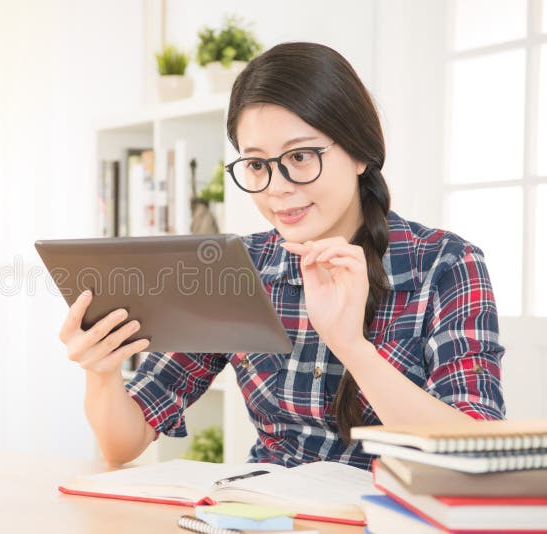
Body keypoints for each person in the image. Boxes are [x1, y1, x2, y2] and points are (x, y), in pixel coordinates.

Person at [58, 42, 505, 470]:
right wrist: (102, 372)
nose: (277, 188)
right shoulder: (236, 269)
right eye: (256, 164)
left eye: (301, 156)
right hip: (263, 514)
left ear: (360, 153)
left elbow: (475, 455)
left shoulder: (446, 264)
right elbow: (122, 445)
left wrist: (352, 347)